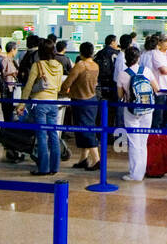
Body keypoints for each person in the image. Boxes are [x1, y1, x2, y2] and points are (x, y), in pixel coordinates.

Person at [16, 40, 64, 177]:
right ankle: (55, 167)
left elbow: (28, 87)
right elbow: (59, 87)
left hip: (39, 103)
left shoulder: (37, 65)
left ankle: (43, 168)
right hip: (53, 103)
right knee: (53, 134)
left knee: (42, 136)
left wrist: (21, 105)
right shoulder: (59, 66)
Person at [61, 41, 102, 172]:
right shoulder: (95, 65)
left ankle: (96, 160)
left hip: (80, 101)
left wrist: (63, 90)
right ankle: (83, 159)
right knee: (87, 128)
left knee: (85, 129)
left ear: (81, 52)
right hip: (92, 100)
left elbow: (68, 82)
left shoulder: (81, 65)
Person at [116, 46, 154, 182]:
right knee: (143, 141)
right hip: (147, 109)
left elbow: (120, 96)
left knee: (133, 142)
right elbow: (155, 88)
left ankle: (134, 174)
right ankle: (141, 172)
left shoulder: (123, 74)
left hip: (131, 110)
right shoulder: (147, 71)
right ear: (138, 58)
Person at [139, 34, 167, 129]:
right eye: (166, 41)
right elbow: (163, 70)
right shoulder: (155, 54)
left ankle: (165, 138)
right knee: (158, 116)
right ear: (159, 43)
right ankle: (156, 137)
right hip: (159, 89)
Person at [94, 34, 121, 102]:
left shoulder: (99, 53)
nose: (117, 44)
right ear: (112, 42)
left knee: (102, 99)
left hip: (100, 80)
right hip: (111, 79)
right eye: (116, 42)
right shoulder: (116, 53)